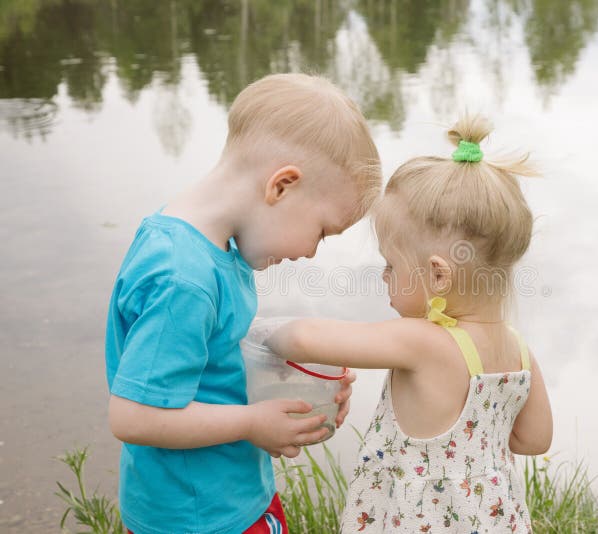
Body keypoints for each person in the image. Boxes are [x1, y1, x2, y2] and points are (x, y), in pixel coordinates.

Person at [104, 73, 381, 534]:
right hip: (197, 518)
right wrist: (254, 422)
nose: (311, 252)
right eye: (322, 232)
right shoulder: (183, 276)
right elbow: (135, 415)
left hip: (226, 497)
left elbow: (211, 347)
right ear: (282, 186)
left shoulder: (210, 249)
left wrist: (296, 375)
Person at [267, 114, 553, 533]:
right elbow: (534, 440)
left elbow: (303, 337)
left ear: (438, 275)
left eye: (390, 263)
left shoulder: (423, 341)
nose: (384, 275)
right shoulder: (520, 350)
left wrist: (250, 329)